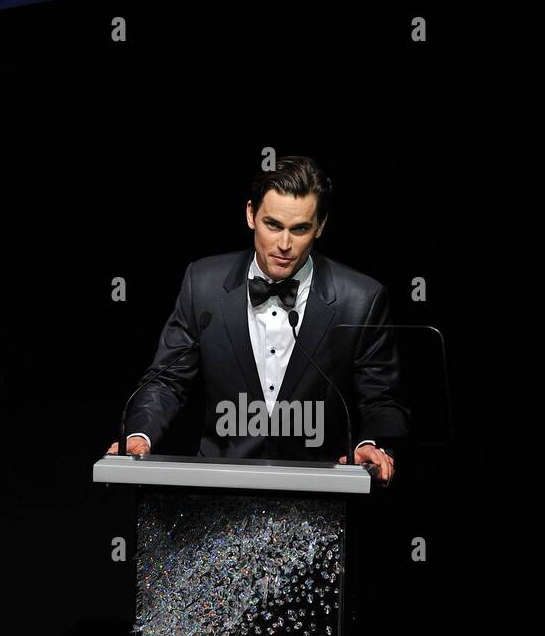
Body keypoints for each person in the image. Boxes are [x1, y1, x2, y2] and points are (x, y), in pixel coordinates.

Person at [107, 154, 409, 479]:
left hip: (319, 492)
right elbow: (167, 380)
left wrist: (371, 443)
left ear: (321, 226)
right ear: (251, 214)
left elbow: (381, 397)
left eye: (300, 229)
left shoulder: (361, 299)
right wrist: (139, 436)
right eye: (273, 225)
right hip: (217, 490)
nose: (284, 244)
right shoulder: (203, 284)